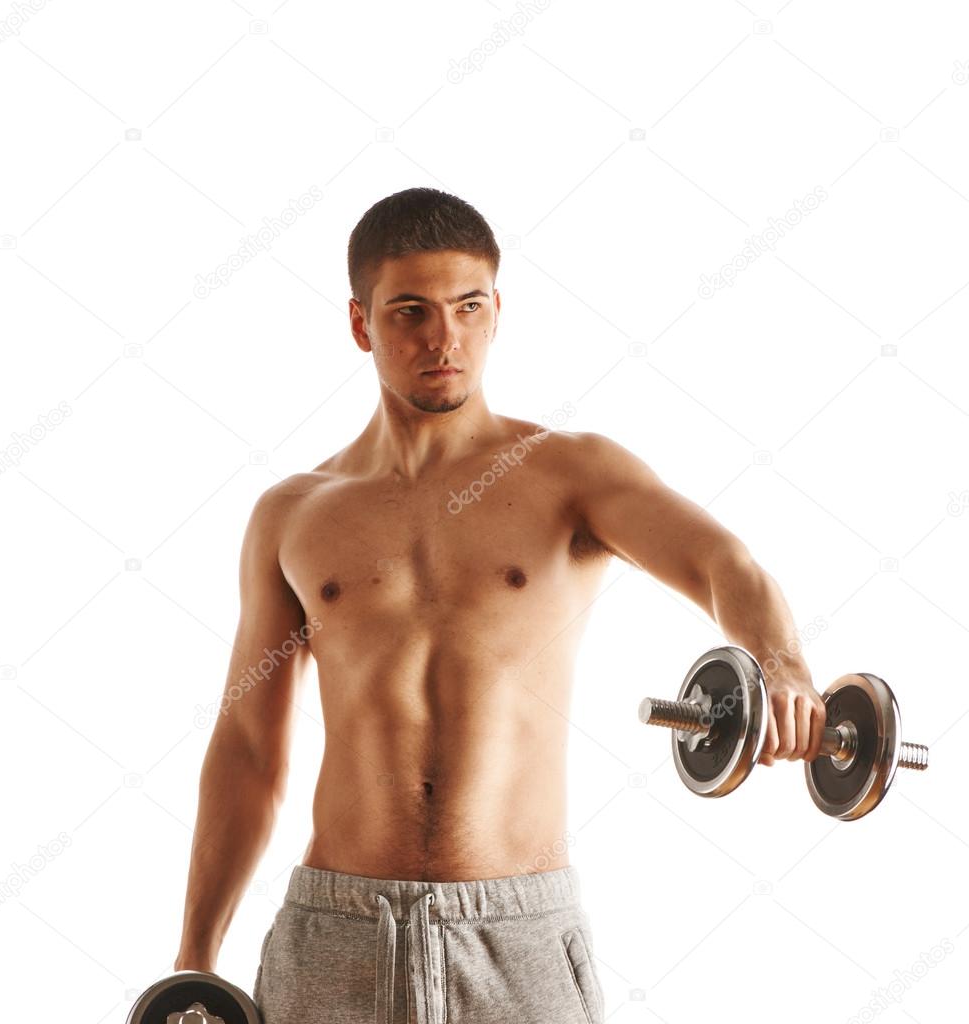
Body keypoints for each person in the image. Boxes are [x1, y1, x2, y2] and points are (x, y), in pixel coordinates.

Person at [173, 187, 826, 1023]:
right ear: (359, 324)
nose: (444, 339)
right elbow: (246, 751)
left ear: (496, 312)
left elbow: (722, 564)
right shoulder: (295, 514)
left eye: (467, 307)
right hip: (335, 936)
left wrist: (785, 666)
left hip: (516, 940)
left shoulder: (573, 474)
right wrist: (192, 963)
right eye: (409, 311)